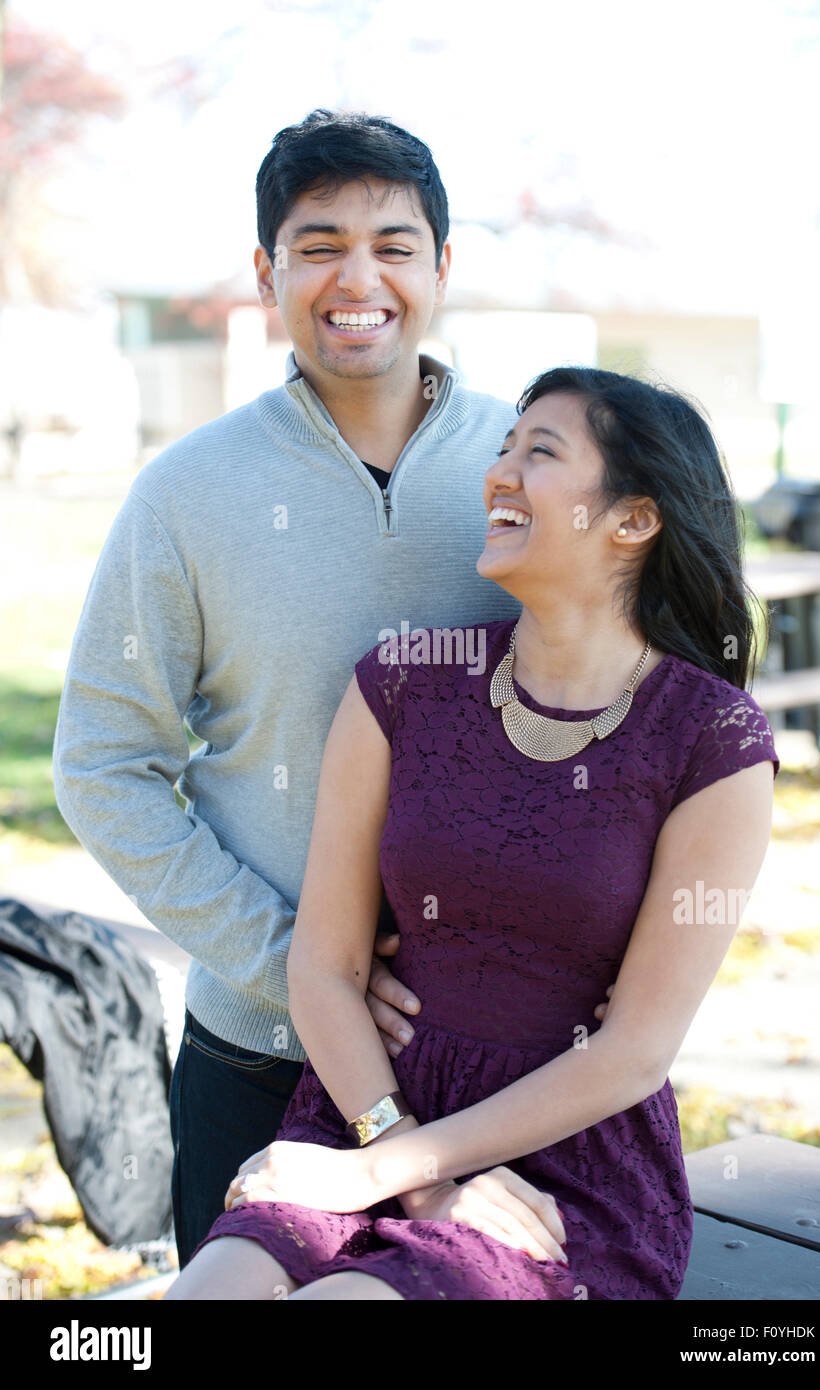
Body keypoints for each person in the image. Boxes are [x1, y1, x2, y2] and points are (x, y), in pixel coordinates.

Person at [52, 108, 550, 1265]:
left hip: (496, 1058)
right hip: (258, 1054)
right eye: (318, 244)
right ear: (268, 272)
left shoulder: (532, 464)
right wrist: (291, 958)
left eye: (393, 243)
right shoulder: (185, 494)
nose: (357, 277)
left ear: (442, 269)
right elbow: (101, 766)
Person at [165, 366, 779, 1302]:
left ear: (633, 519)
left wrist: (386, 1180)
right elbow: (324, 967)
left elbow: (634, 1051)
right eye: (501, 448)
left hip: (563, 1172)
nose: (498, 473)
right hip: (366, 1118)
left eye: (539, 452)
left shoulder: (712, 741)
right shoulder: (404, 684)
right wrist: (400, 1162)